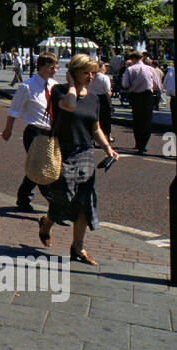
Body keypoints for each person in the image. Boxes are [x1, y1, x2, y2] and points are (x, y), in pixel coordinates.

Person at [38, 55, 119, 267]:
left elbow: (95, 128)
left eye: (93, 72)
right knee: (63, 196)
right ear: (74, 73)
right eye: (86, 72)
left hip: (85, 153)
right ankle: (46, 223)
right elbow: (70, 106)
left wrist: (108, 148)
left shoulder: (94, 98)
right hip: (62, 151)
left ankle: (78, 246)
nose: (91, 76)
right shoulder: (60, 92)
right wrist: (73, 86)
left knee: (85, 202)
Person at [1, 53, 58, 214]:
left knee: (36, 167)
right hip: (34, 132)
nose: (54, 70)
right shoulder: (27, 86)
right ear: (40, 68)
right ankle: (56, 204)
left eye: (55, 66)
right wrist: (8, 130)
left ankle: (24, 197)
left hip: (51, 132)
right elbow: (13, 109)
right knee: (42, 168)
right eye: (50, 67)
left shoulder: (54, 85)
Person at [120, 51, 163, 154]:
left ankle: (138, 143)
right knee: (147, 120)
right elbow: (157, 85)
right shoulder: (151, 69)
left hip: (135, 96)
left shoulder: (130, 70)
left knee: (137, 120)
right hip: (147, 96)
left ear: (133, 59)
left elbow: (125, 84)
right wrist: (158, 94)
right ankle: (143, 143)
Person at [92, 62, 113, 140]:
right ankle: (107, 136)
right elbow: (108, 91)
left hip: (93, 98)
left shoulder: (92, 77)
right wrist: (110, 104)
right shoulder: (104, 77)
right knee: (106, 119)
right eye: (104, 67)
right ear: (100, 68)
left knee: (96, 119)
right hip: (103, 99)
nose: (105, 69)